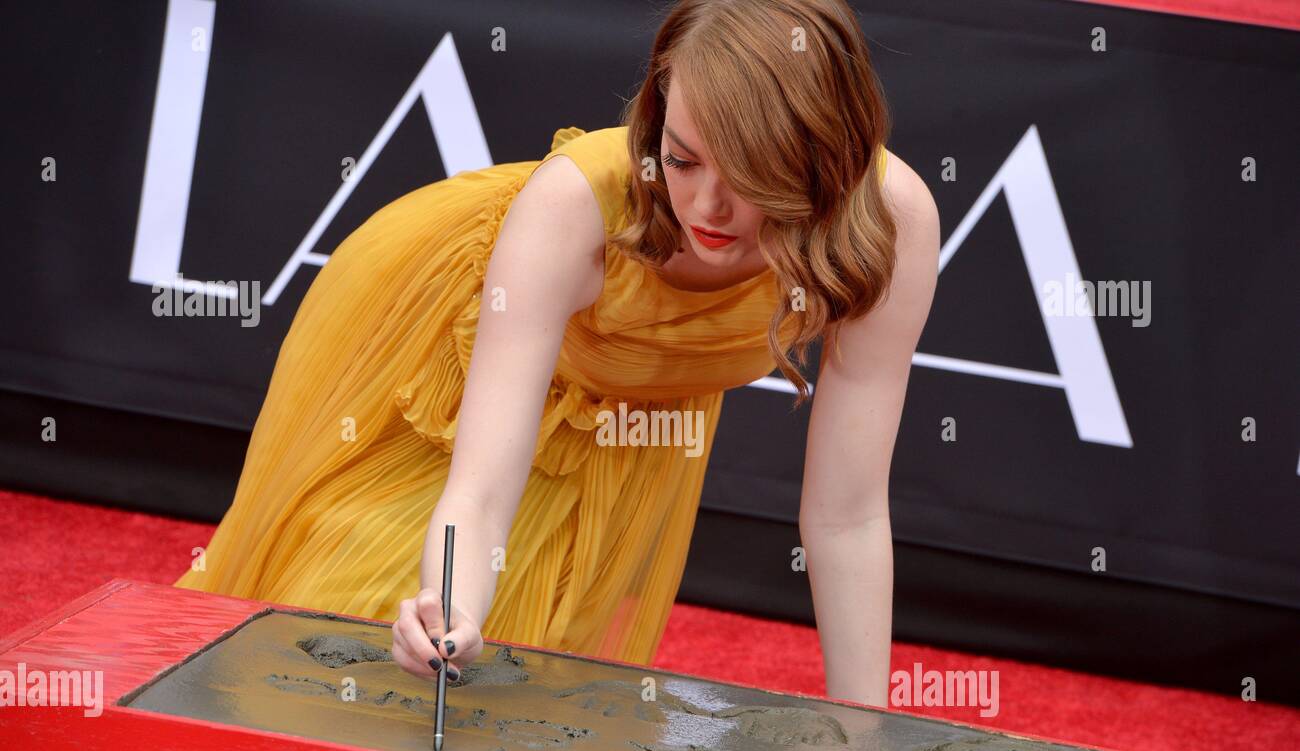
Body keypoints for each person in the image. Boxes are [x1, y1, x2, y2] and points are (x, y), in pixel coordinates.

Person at [175, 0, 939, 709]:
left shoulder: (890, 223)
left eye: (745, 177)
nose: (706, 206)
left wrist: (862, 737)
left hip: (625, 420)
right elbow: (477, 491)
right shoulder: (576, 209)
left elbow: (847, 514)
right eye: (681, 159)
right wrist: (450, 611)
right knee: (342, 636)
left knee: (526, 689)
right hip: (447, 340)